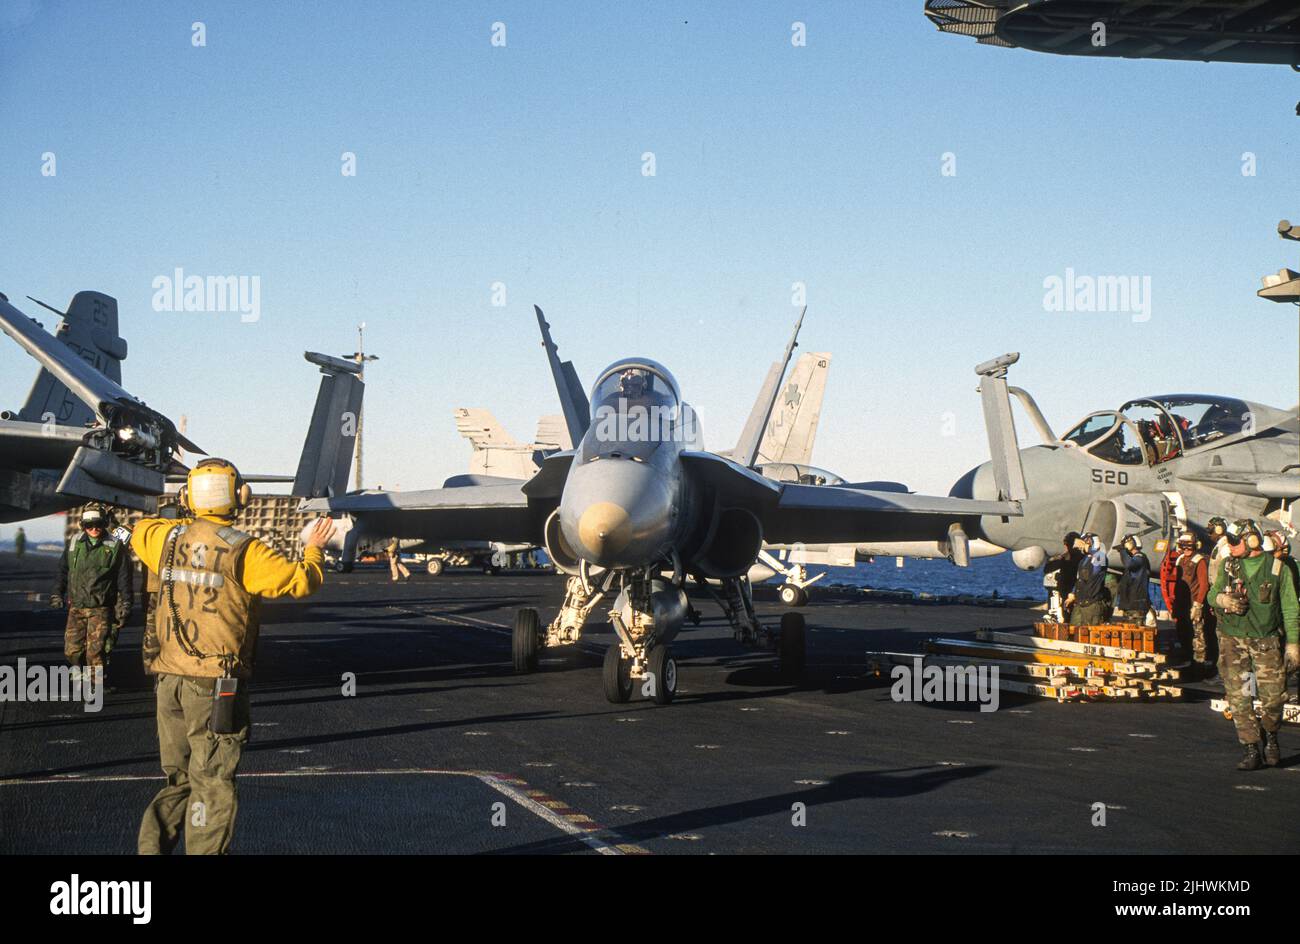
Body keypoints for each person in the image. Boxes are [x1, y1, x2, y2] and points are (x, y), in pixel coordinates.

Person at [131, 457, 335, 854]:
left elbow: (143, 528)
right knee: (212, 782)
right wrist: (313, 550)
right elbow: (299, 582)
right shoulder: (245, 551)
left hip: (169, 680)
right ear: (241, 495)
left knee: (179, 780)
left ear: (188, 495)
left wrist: (182, 518)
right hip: (214, 684)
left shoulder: (163, 540)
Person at [1209, 518, 1299, 771]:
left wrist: (1293, 644)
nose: (1230, 545)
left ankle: (1270, 733)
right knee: (1240, 697)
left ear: (1252, 541)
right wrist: (1223, 599)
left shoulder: (1278, 568)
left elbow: (1291, 608)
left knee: (1274, 697)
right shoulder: (1228, 565)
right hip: (1232, 642)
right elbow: (1211, 594)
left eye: (1235, 540)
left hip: (1265, 641)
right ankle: (1251, 748)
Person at [52, 505, 132, 682]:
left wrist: (126, 603)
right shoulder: (74, 545)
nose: (94, 529)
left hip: (101, 607)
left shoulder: (115, 546)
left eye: (98, 524)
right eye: (89, 525)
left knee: (96, 651)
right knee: (72, 650)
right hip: (77, 607)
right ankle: (79, 669)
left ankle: (95, 686)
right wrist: (57, 593)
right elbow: (63, 571)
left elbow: (124, 578)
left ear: (104, 524)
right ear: (83, 526)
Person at [1163, 531, 1210, 677]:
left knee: (1197, 636)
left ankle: (1199, 667)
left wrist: (1198, 605)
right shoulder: (1180, 560)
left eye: (1189, 546)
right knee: (1183, 634)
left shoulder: (1199, 560)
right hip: (1182, 605)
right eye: (1184, 546)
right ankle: (1190, 662)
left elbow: (1204, 585)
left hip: (1193, 605)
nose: (1187, 549)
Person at [1065, 533, 1109, 626]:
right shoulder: (1083, 560)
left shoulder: (1101, 556)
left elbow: (1097, 564)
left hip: (1092, 604)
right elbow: (1080, 579)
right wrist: (1073, 593)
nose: (1080, 547)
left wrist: (1088, 548)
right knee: (1074, 629)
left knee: (1089, 633)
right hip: (1079, 602)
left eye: (1084, 543)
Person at [1042, 531, 1081, 623]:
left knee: (1060, 616)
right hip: (1071, 590)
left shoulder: (1063, 558)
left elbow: (1047, 569)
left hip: (1063, 590)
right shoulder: (1082, 558)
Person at [1116, 534, 1153, 624]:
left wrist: (1123, 551)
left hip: (1136, 605)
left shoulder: (1140, 557)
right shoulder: (1135, 559)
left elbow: (1129, 565)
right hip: (1130, 604)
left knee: (1135, 633)